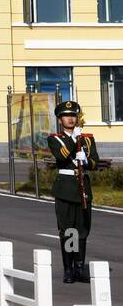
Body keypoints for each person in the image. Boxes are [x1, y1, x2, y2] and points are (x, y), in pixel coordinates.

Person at [47, 100, 99, 284]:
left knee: (82, 230)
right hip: (66, 188)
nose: (71, 119)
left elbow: (95, 162)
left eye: (73, 115)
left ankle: (79, 267)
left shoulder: (87, 139)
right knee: (69, 230)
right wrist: (73, 139)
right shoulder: (55, 138)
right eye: (67, 116)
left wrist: (85, 160)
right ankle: (68, 269)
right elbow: (61, 155)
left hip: (83, 187)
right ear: (60, 120)